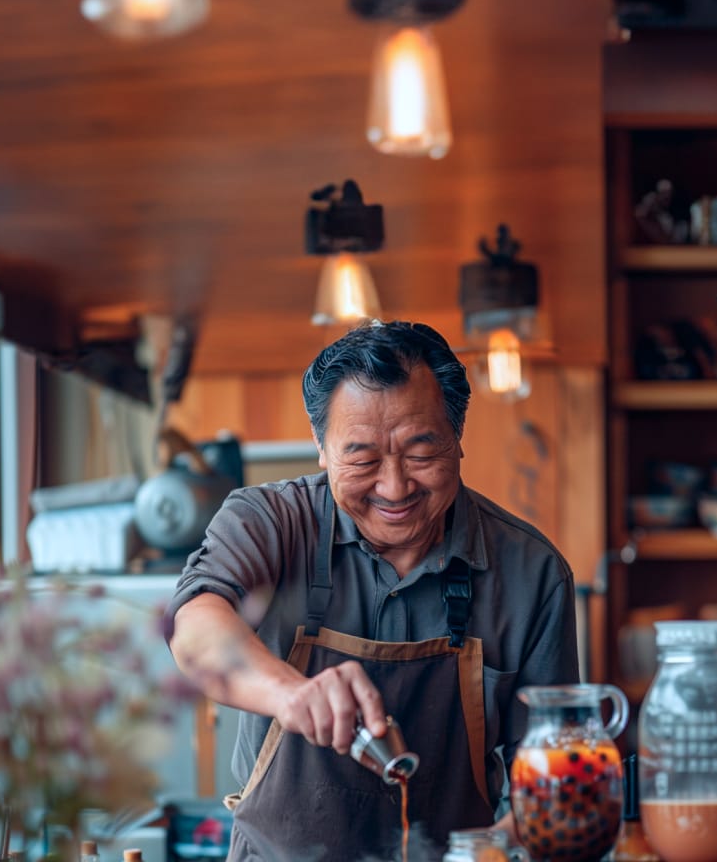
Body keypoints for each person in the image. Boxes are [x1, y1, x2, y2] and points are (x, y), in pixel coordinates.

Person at [165, 319, 578, 862]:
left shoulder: (532, 572)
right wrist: (291, 695)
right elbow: (195, 632)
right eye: (362, 459)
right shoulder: (267, 521)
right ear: (321, 447)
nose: (394, 487)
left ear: (457, 438)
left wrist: (496, 846)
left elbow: (550, 780)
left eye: (420, 453)